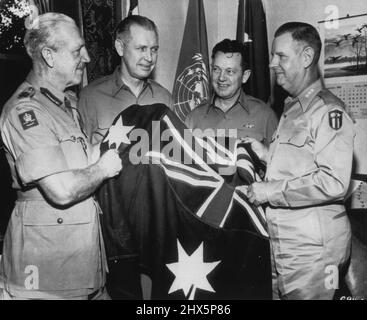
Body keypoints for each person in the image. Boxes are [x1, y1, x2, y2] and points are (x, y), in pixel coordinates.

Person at [0, 13, 122, 300]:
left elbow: (76, 163)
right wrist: (104, 167)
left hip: (83, 264)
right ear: (49, 56)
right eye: (78, 50)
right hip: (45, 273)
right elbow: (62, 191)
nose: (88, 57)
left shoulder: (66, 103)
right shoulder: (26, 111)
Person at [243, 22, 355, 300]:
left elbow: (334, 181)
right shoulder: (292, 106)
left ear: (306, 58)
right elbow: (303, 164)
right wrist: (266, 154)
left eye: (280, 56)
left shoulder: (328, 110)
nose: (272, 64)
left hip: (314, 253)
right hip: (286, 247)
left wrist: (269, 190)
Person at [78, 14, 174, 146]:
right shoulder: (91, 97)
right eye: (141, 49)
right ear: (120, 48)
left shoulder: (164, 98)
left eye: (154, 49)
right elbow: (82, 157)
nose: (149, 58)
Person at [185, 39, 278, 147]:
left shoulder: (265, 116)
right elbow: (181, 161)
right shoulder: (194, 117)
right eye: (216, 69)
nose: (221, 77)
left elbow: (276, 161)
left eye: (230, 71)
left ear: (245, 76)